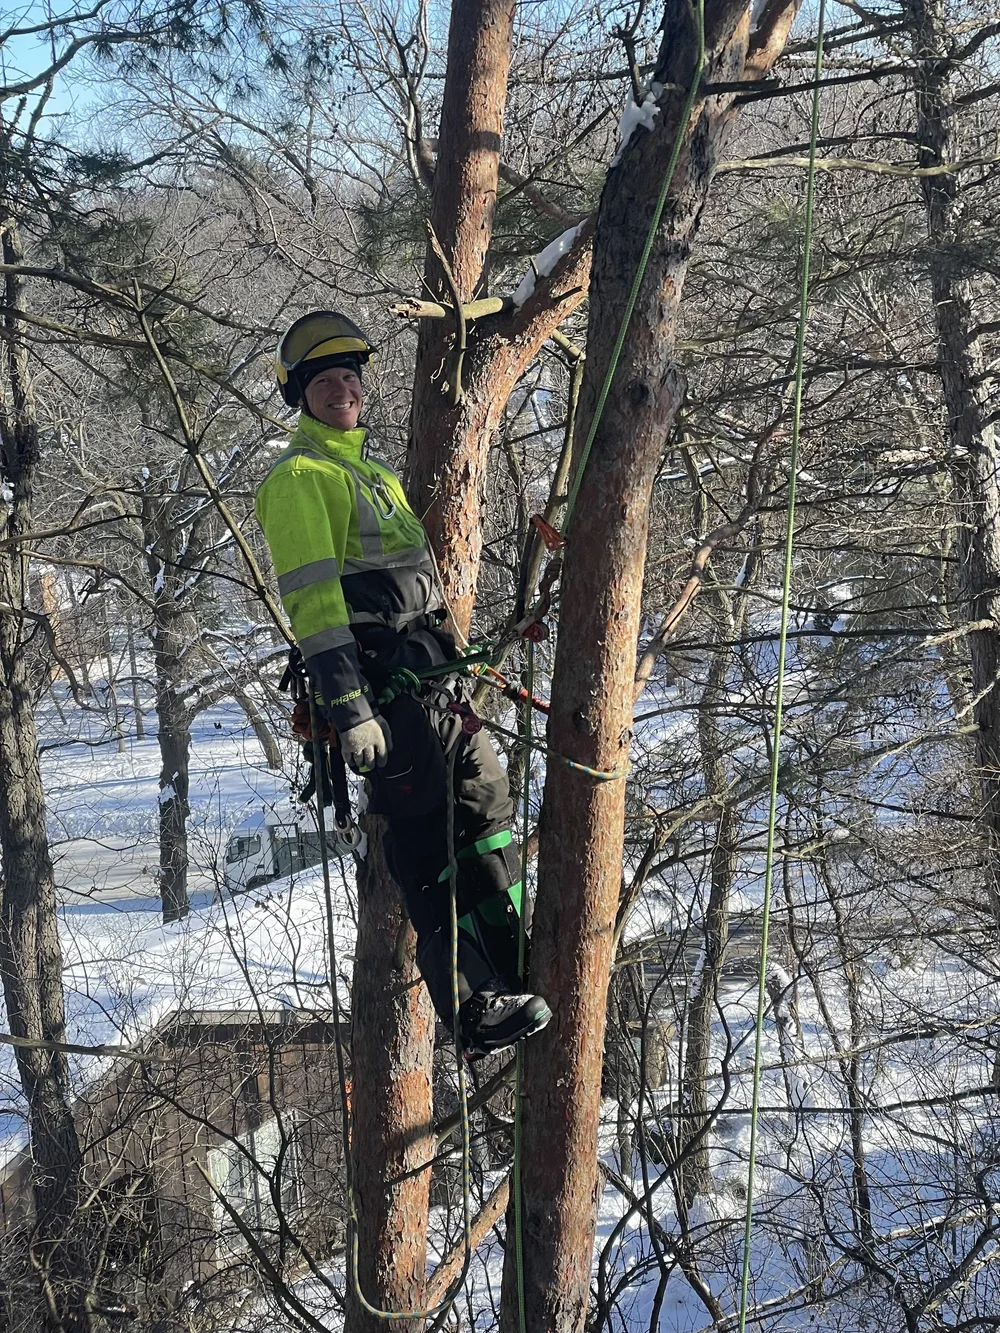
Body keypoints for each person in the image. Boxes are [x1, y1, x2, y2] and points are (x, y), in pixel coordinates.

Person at [255, 310, 551, 1057]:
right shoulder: (299, 479)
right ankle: (469, 1008)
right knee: (425, 839)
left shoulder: (374, 474)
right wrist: (350, 707)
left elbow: (420, 586)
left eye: (349, 377)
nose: (342, 390)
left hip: (433, 679)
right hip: (384, 691)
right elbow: (316, 608)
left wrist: (463, 659)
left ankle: (513, 959)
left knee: (484, 802)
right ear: (299, 395)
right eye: (325, 382)